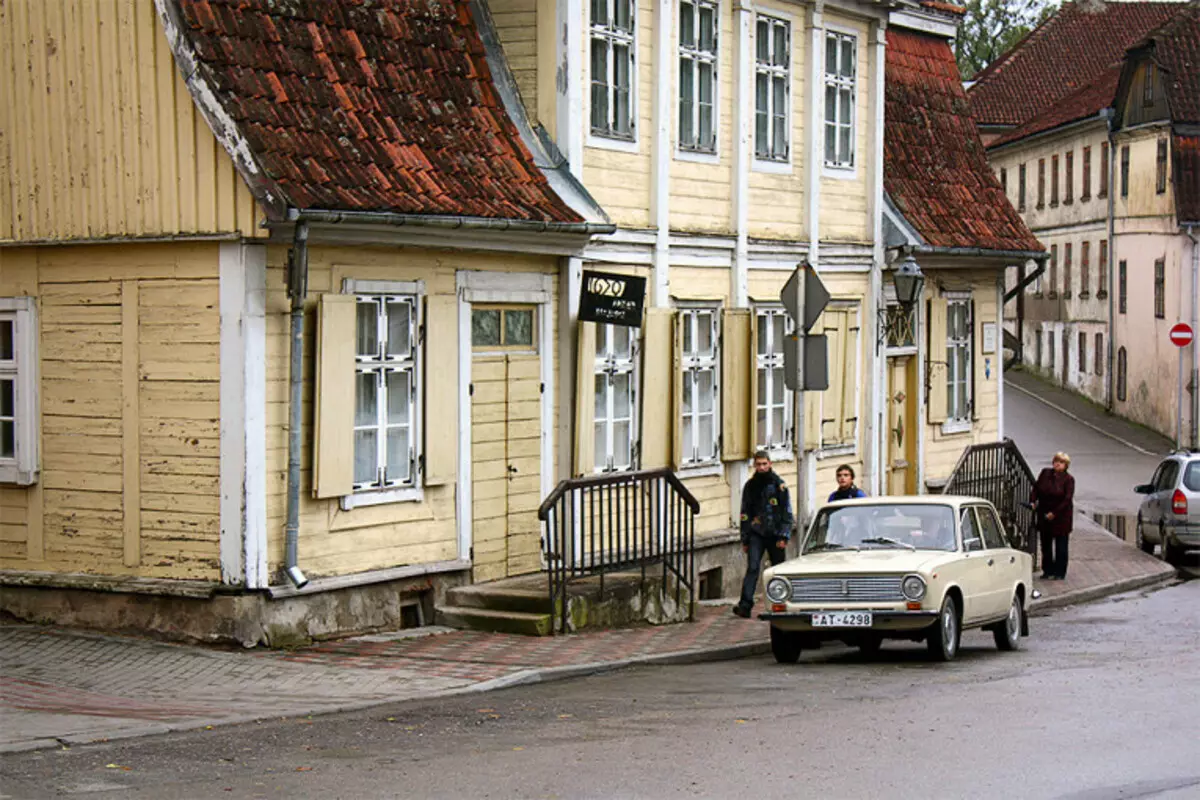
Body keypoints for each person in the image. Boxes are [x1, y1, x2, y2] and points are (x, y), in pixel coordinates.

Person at [733, 451, 795, 618]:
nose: (761, 467)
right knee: (752, 567)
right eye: (758, 464)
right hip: (756, 534)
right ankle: (745, 605)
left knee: (778, 570)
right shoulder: (750, 486)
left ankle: (780, 602)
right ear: (754, 465)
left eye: (764, 464)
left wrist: (784, 535)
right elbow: (744, 513)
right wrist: (745, 538)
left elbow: (786, 512)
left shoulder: (778, 485)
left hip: (775, 534)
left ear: (770, 464)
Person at [1031, 451, 1075, 580]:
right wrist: (1033, 501)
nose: (1058, 464)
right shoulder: (1045, 473)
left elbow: (1067, 499)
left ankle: (1060, 572)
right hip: (1044, 512)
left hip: (1061, 516)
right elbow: (1036, 488)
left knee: (1061, 546)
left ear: (1066, 465)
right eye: (1056, 461)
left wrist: (1054, 513)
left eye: (1061, 462)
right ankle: (1048, 570)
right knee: (1046, 545)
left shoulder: (1069, 480)